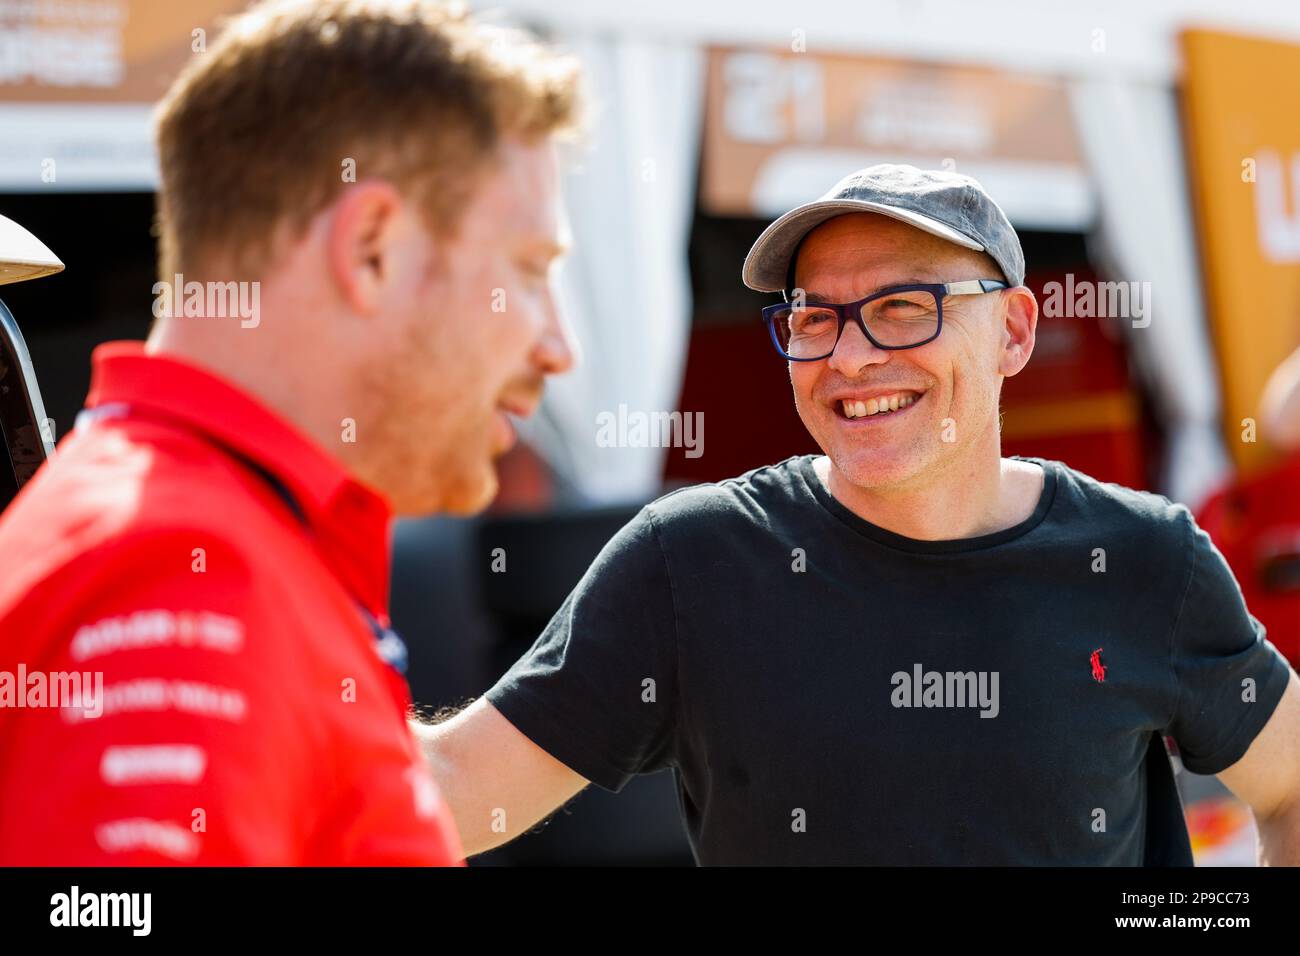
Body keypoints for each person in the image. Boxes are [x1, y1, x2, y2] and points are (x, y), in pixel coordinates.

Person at [415, 164, 1300, 865]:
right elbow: (448, 791)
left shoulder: (1144, 559)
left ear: (1016, 332)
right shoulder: (694, 564)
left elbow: (1291, 787)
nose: (850, 357)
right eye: (815, 318)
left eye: (903, 310)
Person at [0, 0, 581, 864]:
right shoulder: (185, 571)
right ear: (372, 249)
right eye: (528, 273)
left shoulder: (211, 541)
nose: (558, 348)